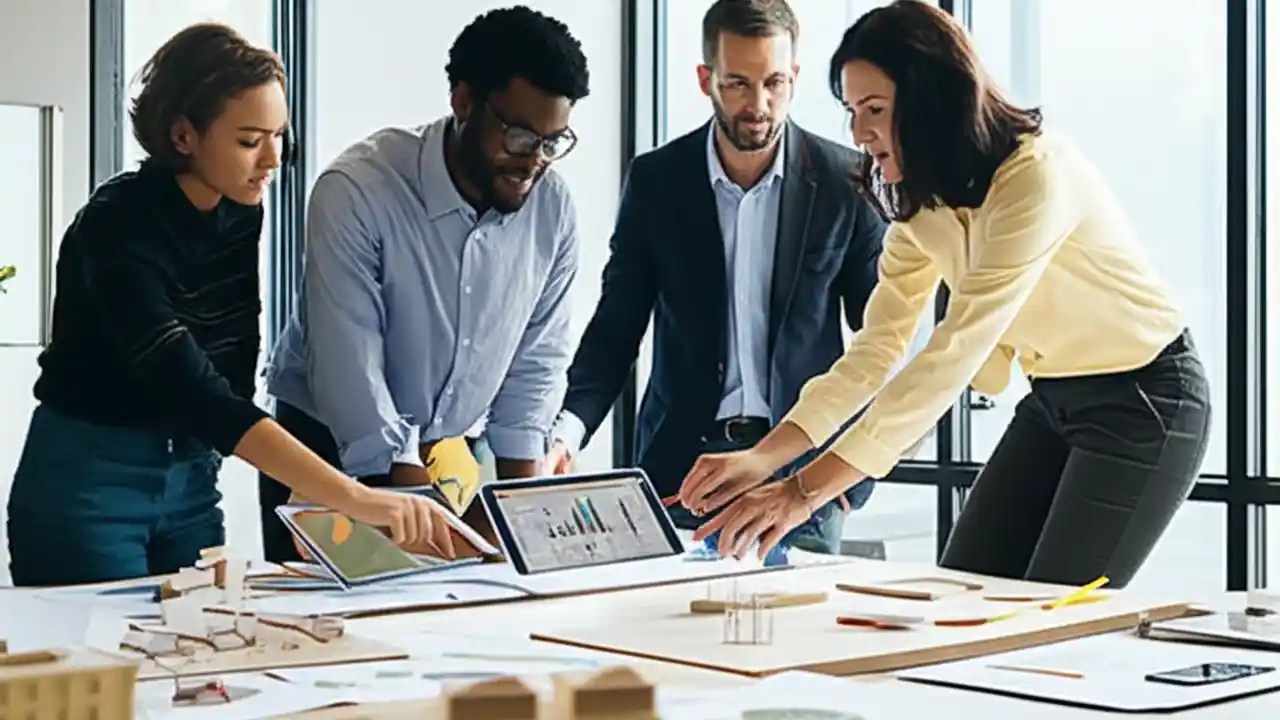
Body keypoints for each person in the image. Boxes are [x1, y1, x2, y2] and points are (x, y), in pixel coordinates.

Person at [676, 0, 1211, 589]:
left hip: (1148, 401)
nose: (858, 132)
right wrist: (765, 457)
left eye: (874, 109)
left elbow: (950, 356)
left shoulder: (1035, 178)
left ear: (929, 100)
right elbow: (875, 352)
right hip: (1055, 399)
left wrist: (805, 491)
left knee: (1050, 612)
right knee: (962, 594)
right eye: (852, 111)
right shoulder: (921, 208)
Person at [6, 23, 455, 587]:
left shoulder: (239, 209)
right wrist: (351, 495)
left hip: (193, 479)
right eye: (249, 141)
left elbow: (235, 361)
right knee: (108, 664)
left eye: (278, 136)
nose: (272, 159)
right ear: (183, 135)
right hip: (91, 485)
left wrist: (305, 490)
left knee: (206, 656)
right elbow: (193, 389)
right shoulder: (115, 225)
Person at [542, 0, 886, 555]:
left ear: (794, 76)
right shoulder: (657, 182)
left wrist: (854, 480)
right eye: (738, 84)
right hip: (682, 478)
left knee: (805, 638)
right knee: (672, 634)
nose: (759, 104)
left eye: (775, 82)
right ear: (706, 79)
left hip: (801, 479)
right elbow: (616, 327)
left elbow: (881, 342)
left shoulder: (847, 182)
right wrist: (568, 432)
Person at [260, 6, 589, 562]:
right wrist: (416, 512)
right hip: (327, 452)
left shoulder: (552, 209)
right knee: (331, 635)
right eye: (518, 137)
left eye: (552, 142)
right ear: (463, 101)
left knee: (478, 613)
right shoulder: (358, 190)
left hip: (451, 452)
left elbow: (535, 370)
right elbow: (352, 380)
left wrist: (518, 520)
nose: (534, 161)